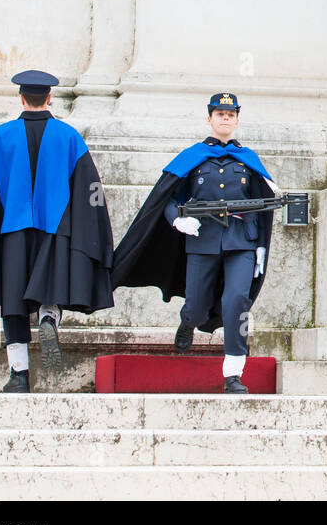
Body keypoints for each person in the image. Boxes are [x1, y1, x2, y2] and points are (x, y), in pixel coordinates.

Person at [0, 70, 115, 393]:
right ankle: (49, 315)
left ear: (21, 98)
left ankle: (19, 375)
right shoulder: (69, 138)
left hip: (13, 231)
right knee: (50, 281)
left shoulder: (0, 138)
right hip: (55, 229)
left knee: (14, 298)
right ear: (50, 98)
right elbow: (90, 190)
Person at [112, 93, 278, 393]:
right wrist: (177, 220)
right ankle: (188, 321)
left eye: (230, 115)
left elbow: (262, 205)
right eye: (219, 114)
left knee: (236, 301)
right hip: (203, 240)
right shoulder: (192, 156)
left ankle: (233, 373)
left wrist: (261, 249)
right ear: (209, 119)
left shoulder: (249, 160)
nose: (225, 119)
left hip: (242, 242)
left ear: (237, 120)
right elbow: (166, 198)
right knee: (197, 305)